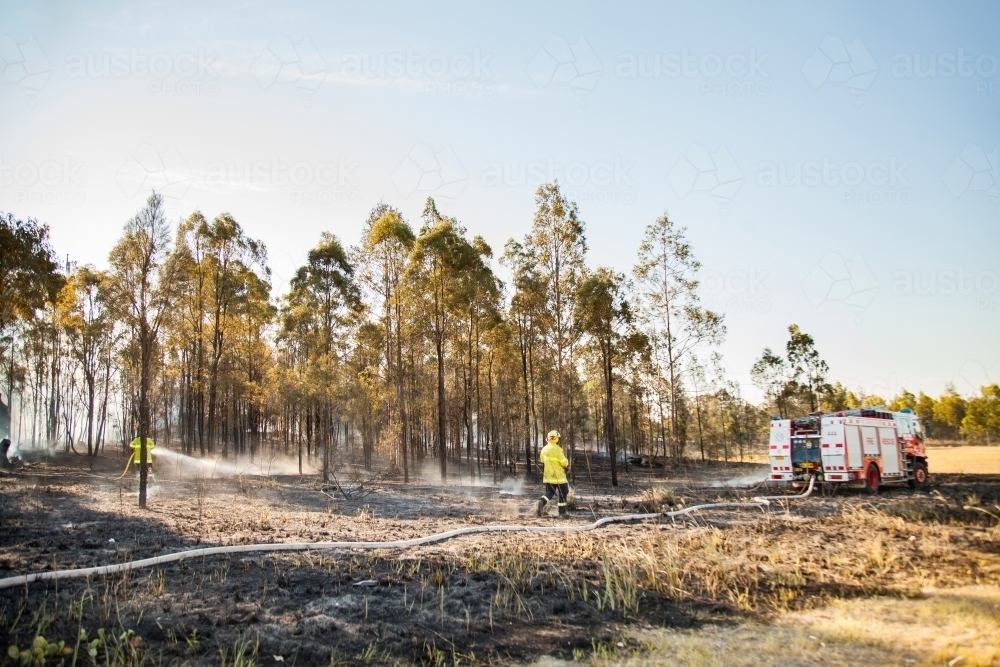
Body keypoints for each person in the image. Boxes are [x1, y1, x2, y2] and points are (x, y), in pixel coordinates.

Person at [535, 430, 570, 519]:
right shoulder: (558, 449)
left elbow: (542, 460)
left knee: (550, 492)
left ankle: (542, 502)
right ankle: (562, 512)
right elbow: (563, 462)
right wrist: (567, 464)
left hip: (548, 476)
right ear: (556, 439)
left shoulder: (544, 449)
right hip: (559, 476)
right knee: (564, 492)